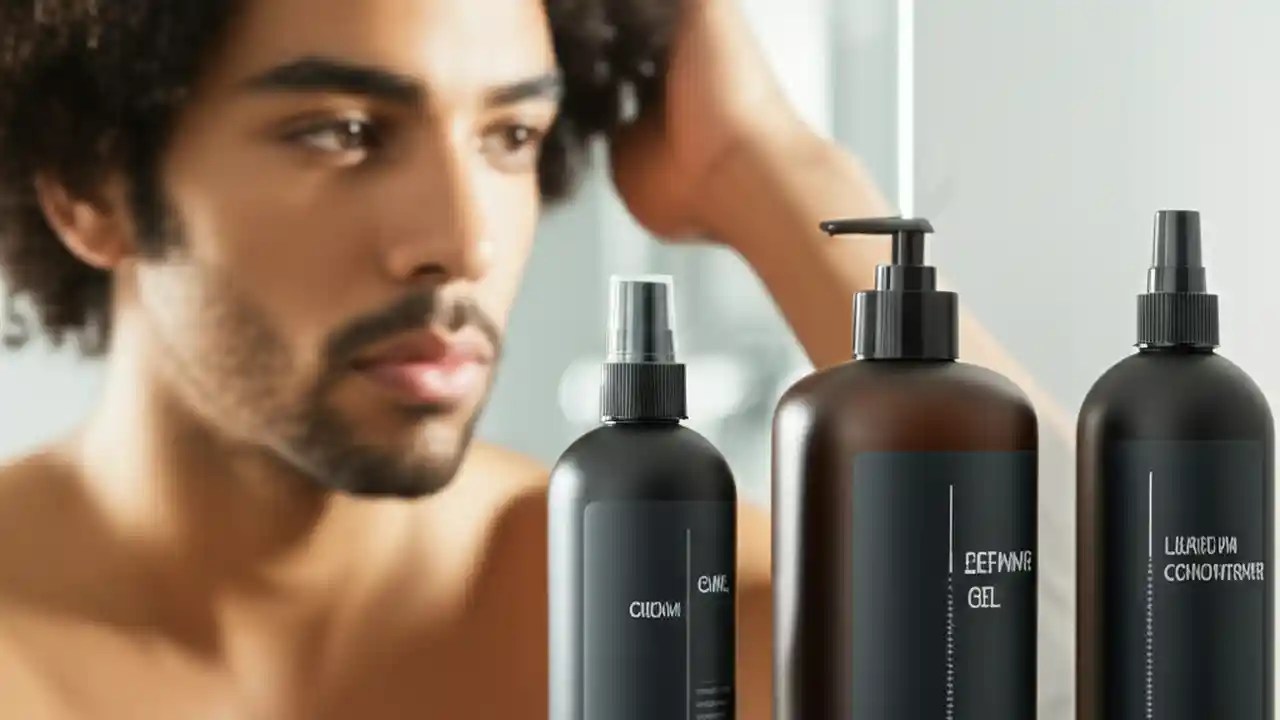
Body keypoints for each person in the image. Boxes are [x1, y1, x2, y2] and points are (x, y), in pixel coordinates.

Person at [0, 0, 1065, 717]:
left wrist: (761, 168)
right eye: (343, 131)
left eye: (509, 137)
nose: (462, 243)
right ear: (89, 187)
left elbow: (1131, 656)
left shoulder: (659, 590)